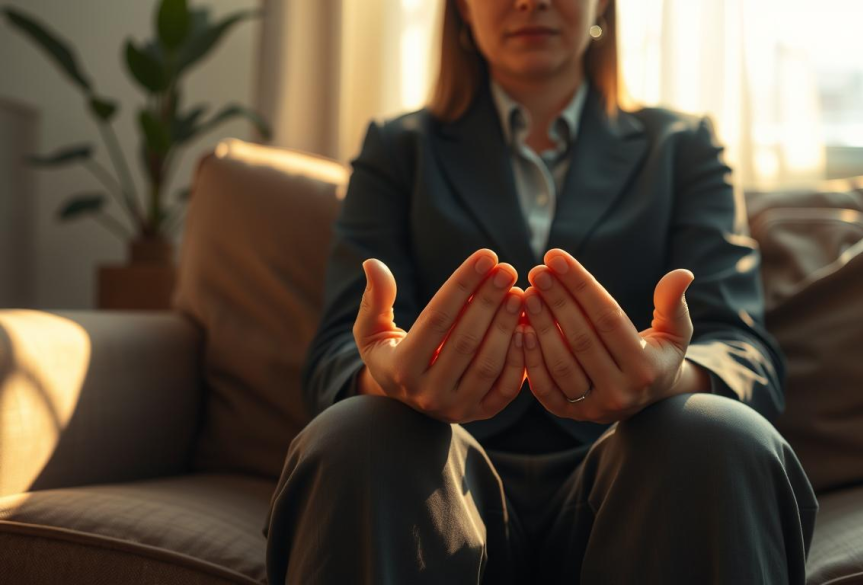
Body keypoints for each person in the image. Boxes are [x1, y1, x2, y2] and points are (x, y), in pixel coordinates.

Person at [262, 0, 819, 582]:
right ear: (461, 12)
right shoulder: (397, 149)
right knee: (355, 434)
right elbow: (335, 354)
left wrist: (665, 379)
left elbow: (741, 348)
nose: (532, 1)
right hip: (437, 483)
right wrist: (393, 377)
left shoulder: (684, 146)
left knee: (720, 435)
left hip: (636, 480)